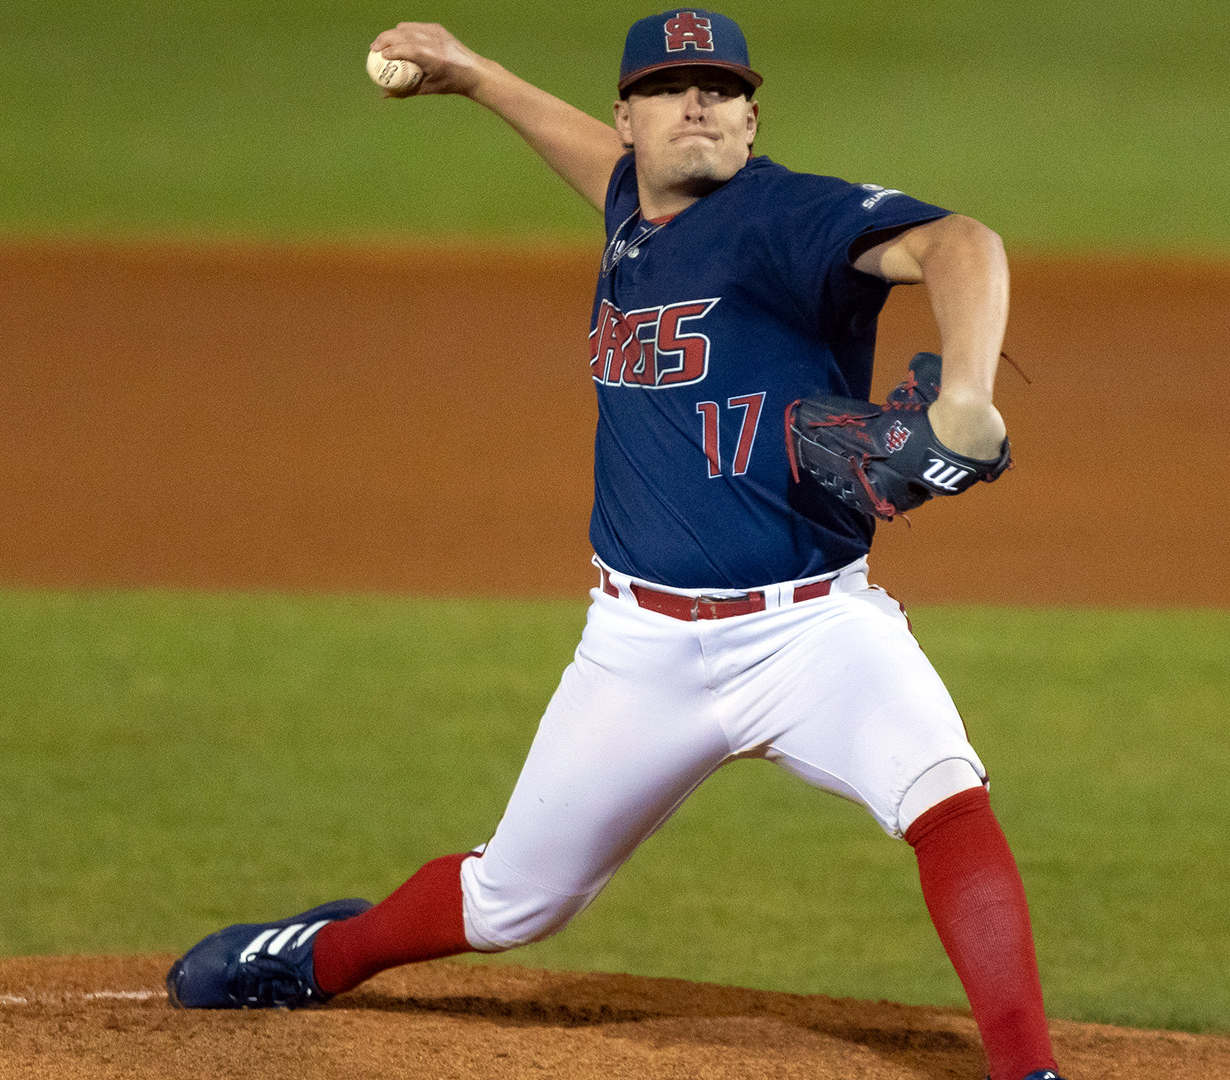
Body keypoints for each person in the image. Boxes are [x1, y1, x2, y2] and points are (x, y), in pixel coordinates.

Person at [167, 11, 1065, 1080]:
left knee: (946, 796)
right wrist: (475, 74)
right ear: (628, 119)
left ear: (752, 118)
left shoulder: (786, 218)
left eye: (722, 88)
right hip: (638, 651)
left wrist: (966, 394)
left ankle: (1030, 1071)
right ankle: (318, 957)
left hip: (815, 632)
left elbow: (963, 243)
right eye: (671, 87)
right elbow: (597, 164)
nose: (699, 104)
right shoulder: (633, 210)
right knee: (509, 904)